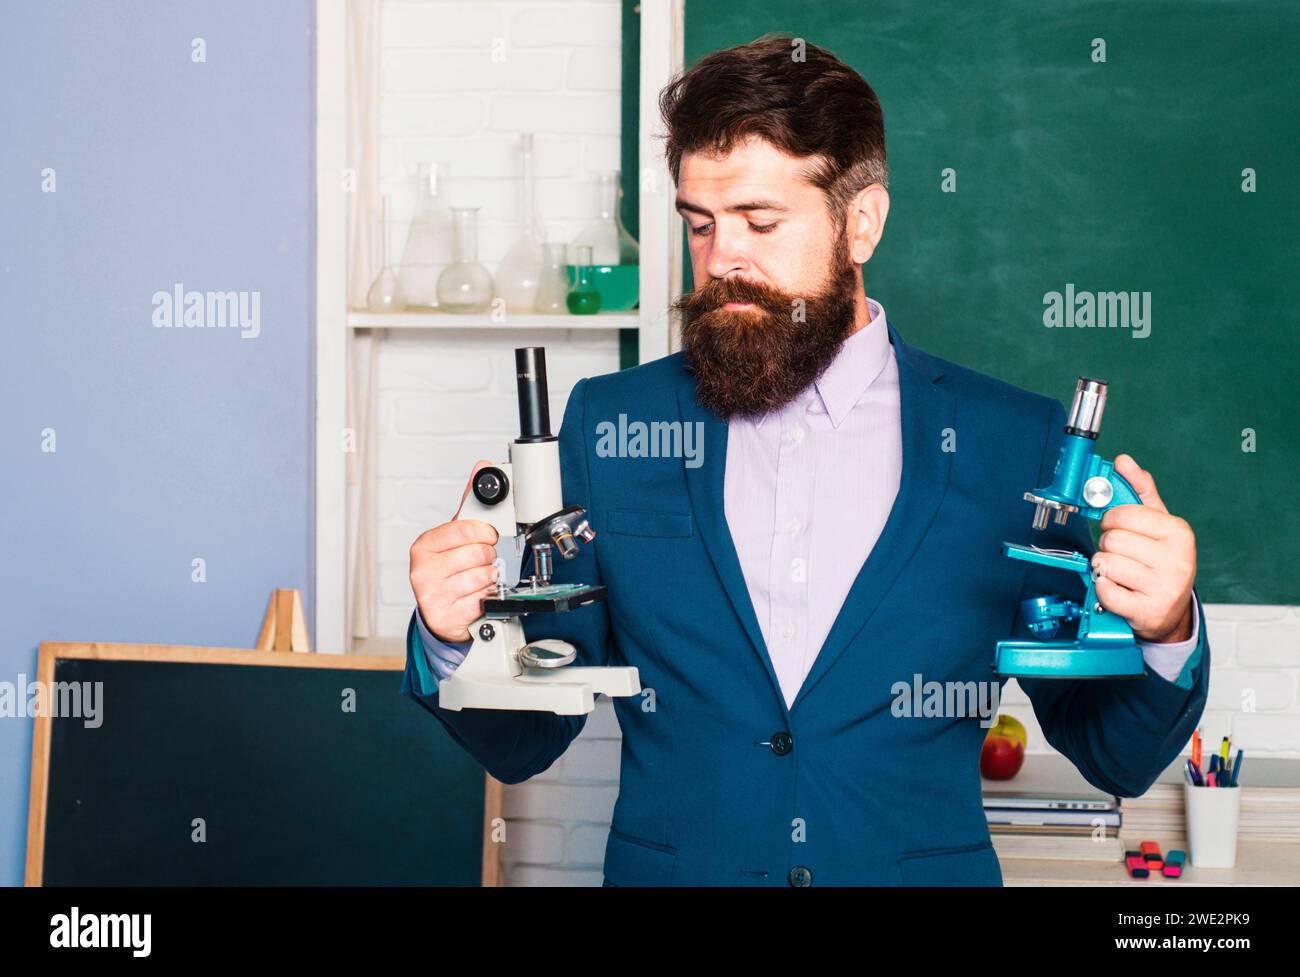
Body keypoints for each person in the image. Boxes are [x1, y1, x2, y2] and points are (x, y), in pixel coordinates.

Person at [403, 34, 1208, 886]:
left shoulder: (1013, 442)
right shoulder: (611, 424)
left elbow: (1113, 752)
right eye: (700, 224)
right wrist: (452, 636)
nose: (722, 261)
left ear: (861, 222)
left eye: (760, 221)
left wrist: (1164, 627)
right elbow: (525, 734)